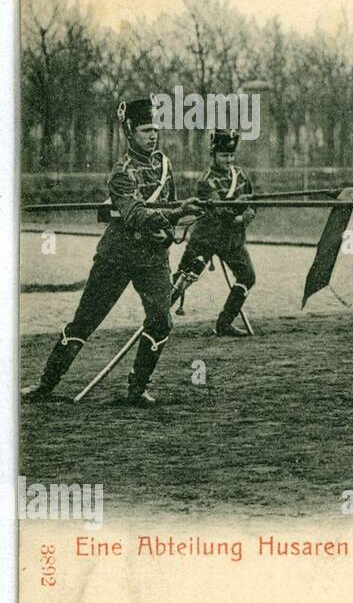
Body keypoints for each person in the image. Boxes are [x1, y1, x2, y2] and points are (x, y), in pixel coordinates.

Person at [22, 96, 201, 405]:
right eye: (145, 130)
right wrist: (175, 213)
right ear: (130, 131)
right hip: (117, 256)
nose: (152, 135)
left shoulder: (164, 165)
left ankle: (137, 389)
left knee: (161, 321)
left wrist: (193, 210)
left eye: (155, 129)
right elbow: (136, 216)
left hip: (152, 257)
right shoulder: (121, 174)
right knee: (85, 321)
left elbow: (170, 206)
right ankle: (45, 385)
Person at [174, 129, 258, 337]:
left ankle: (225, 323)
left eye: (231, 155)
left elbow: (253, 200)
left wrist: (249, 211)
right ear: (213, 155)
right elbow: (219, 211)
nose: (228, 160)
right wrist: (240, 216)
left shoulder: (240, 175)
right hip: (207, 239)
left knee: (247, 277)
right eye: (223, 155)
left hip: (232, 241)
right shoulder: (206, 181)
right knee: (182, 279)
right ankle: (156, 320)